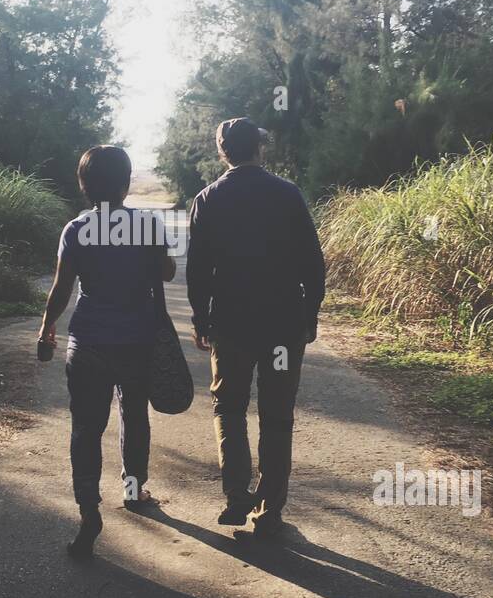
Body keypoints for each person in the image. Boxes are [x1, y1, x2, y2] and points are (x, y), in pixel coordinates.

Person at [186, 117, 325, 537]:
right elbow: (312, 262)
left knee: (228, 408)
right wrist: (310, 314)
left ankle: (235, 495)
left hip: (230, 324)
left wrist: (200, 318)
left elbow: (197, 270)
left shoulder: (209, 198)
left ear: (222, 151)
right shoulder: (287, 194)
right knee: (277, 415)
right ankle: (268, 512)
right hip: (284, 324)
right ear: (259, 149)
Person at [39, 146, 175, 559]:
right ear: (125, 182)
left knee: (85, 429)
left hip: (89, 343)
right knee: (134, 416)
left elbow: (63, 288)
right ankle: (133, 492)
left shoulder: (76, 229)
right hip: (136, 340)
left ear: (83, 184)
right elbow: (167, 272)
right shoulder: (146, 225)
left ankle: (88, 512)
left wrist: (47, 329)